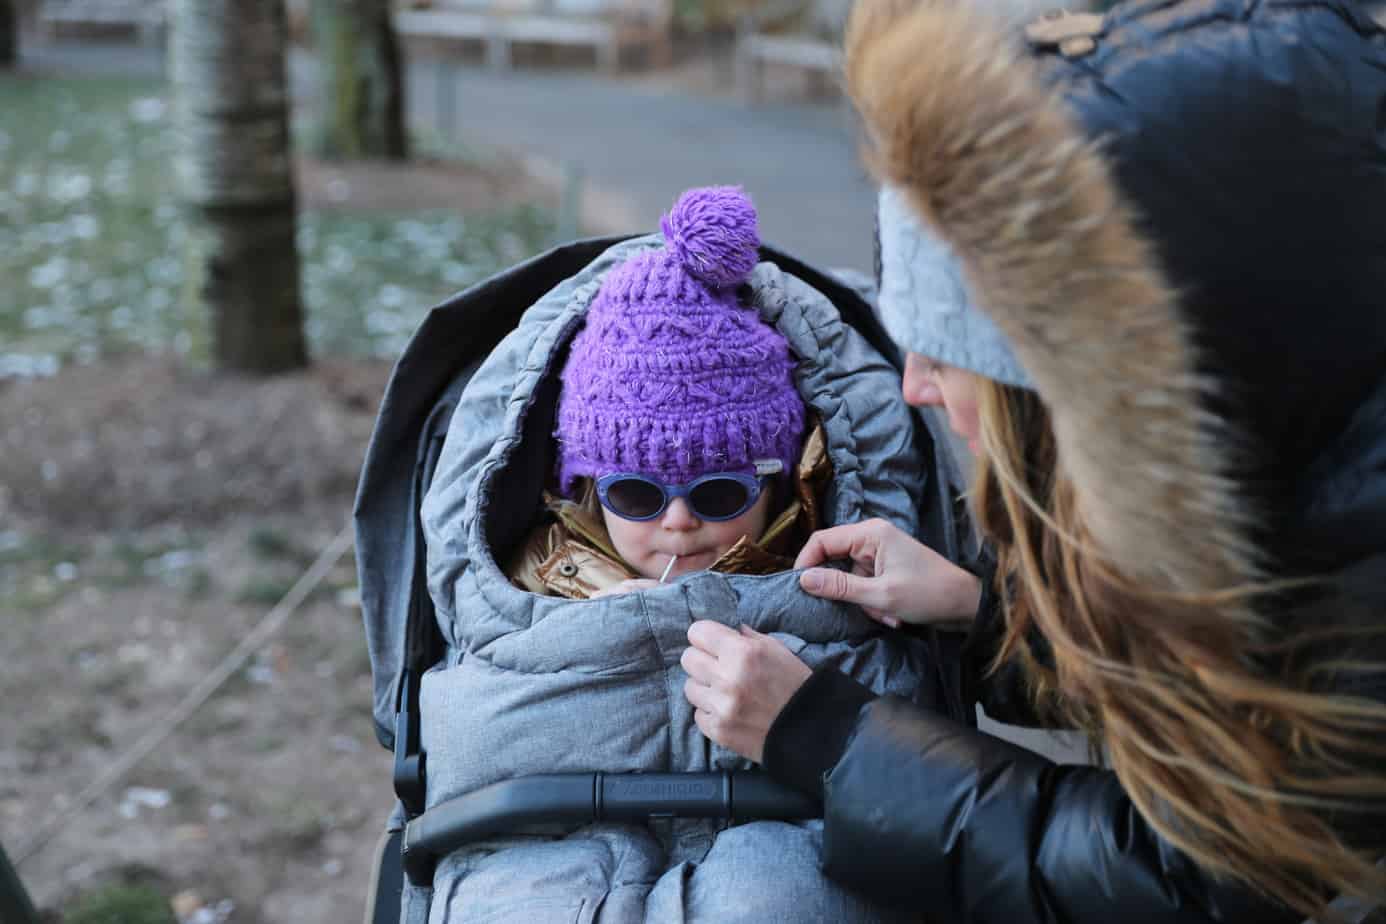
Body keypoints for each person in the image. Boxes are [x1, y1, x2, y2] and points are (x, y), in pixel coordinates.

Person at [680, 0, 1386, 921]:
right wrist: (992, 613)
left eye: (944, 350)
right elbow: (1229, 668)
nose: (915, 389)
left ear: (1077, 382)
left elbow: (1195, 878)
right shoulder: (1310, 441)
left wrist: (832, 739)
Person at [414, 184, 942, 922]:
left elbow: (899, 702)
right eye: (636, 495)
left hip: (789, 830)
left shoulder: (839, 576)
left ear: (782, 479)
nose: (680, 522)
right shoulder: (524, 575)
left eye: (722, 493)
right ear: (587, 486)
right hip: (545, 831)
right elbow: (477, 723)